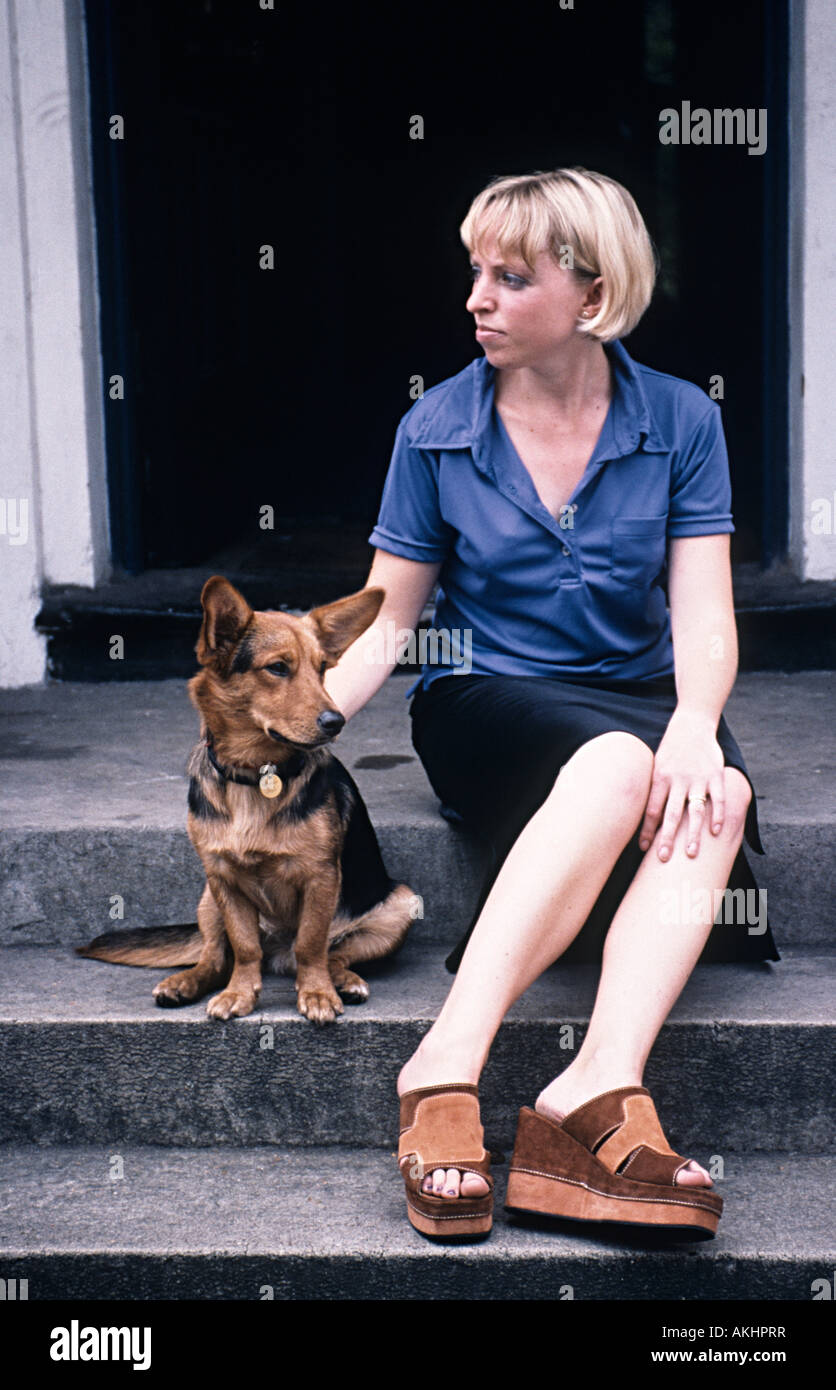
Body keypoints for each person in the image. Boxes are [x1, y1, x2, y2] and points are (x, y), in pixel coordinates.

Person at [324, 167, 779, 1242]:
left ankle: (596, 1083)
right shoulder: (434, 428)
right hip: (486, 699)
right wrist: (309, 725)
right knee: (626, 764)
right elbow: (387, 620)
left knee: (709, 785)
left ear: (589, 291)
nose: (474, 297)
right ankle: (444, 1060)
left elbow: (702, 615)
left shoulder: (677, 419)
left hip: (635, 696)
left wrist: (692, 722)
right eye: (472, 271)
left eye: (508, 276)